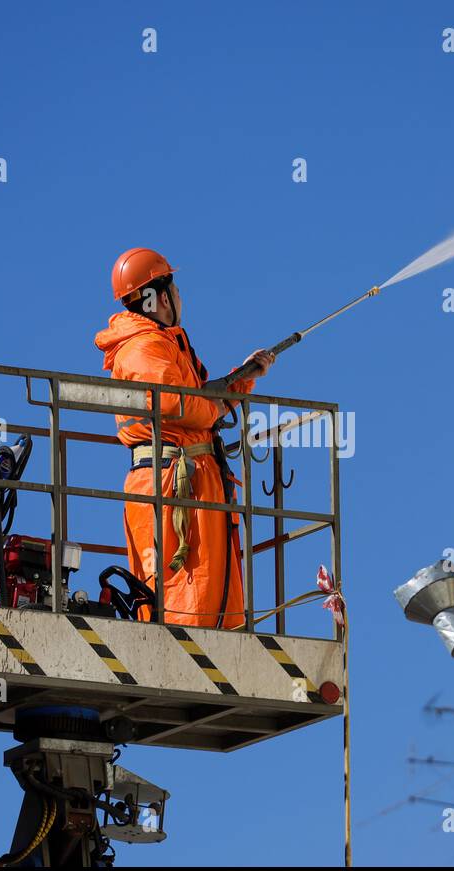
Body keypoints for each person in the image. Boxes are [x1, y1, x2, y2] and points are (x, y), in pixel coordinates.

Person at [94, 247, 274, 628]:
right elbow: (177, 404)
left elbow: (196, 402)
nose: (179, 298)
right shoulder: (145, 347)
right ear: (159, 297)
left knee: (209, 589)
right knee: (185, 591)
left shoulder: (160, 343)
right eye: (175, 291)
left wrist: (242, 377)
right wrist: (215, 403)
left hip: (189, 479)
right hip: (173, 484)